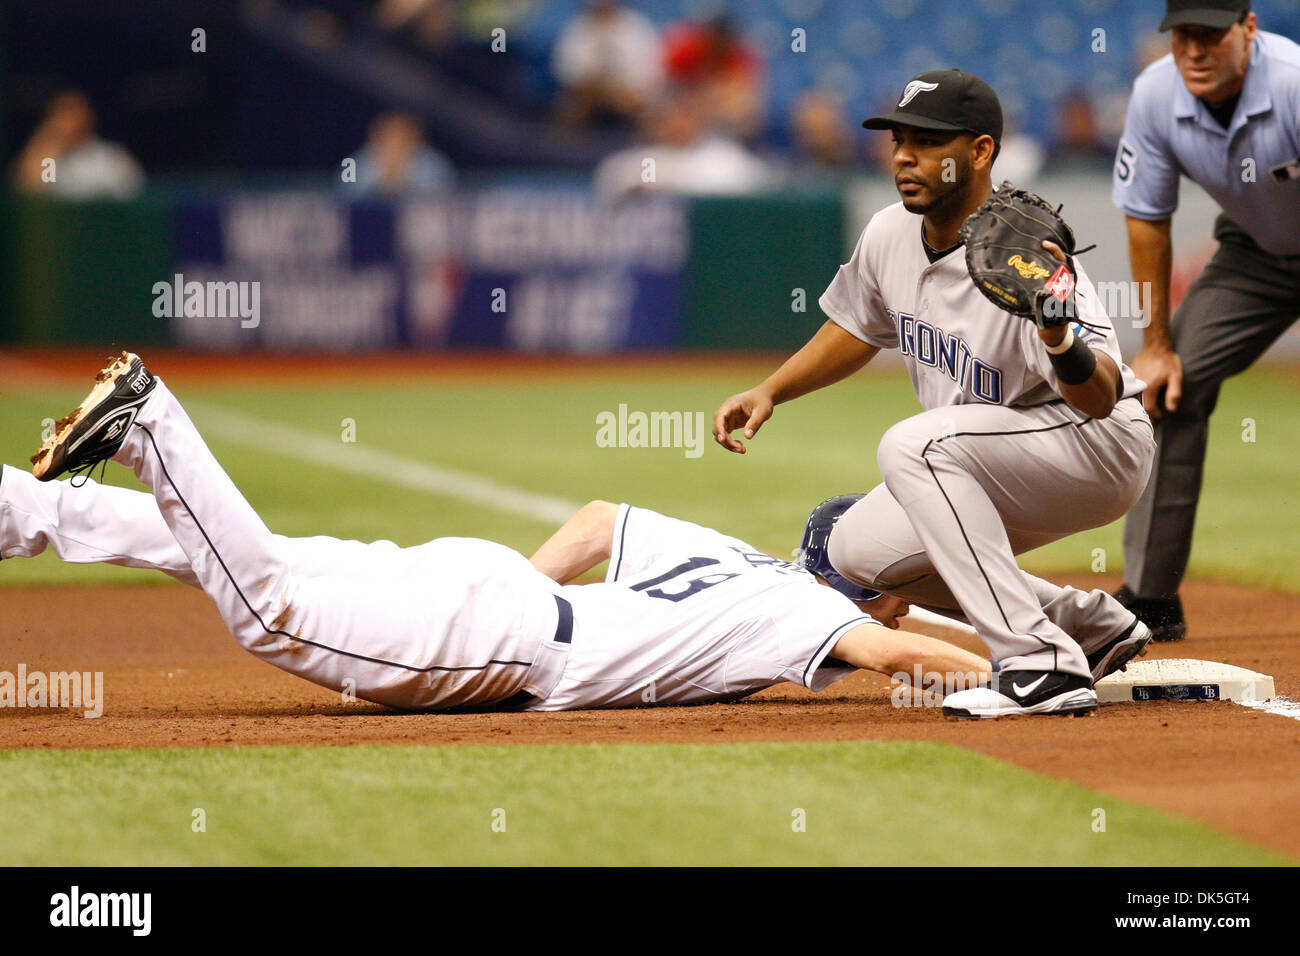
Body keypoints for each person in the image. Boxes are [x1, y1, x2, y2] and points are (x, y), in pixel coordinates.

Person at [5, 353, 994, 714]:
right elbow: (885, 647)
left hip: (493, 588)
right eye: (896, 576)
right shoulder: (800, 607)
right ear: (861, 579)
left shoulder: (736, 554)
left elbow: (598, 519)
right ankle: (148, 421)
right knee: (271, 604)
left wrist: (490, 593)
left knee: (224, 551)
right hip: (506, 634)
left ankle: (21, 507)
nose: (903, 589)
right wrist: (1005, 663)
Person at [713, 69, 1156, 719]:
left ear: (979, 152)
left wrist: (1058, 334)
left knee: (912, 446)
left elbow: (1100, 396)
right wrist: (772, 390)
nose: (902, 157)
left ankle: (1040, 664)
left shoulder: (1022, 251)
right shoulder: (891, 232)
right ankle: (1088, 627)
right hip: (992, 452)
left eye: (926, 142)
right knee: (858, 551)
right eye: (898, 140)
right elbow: (856, 326)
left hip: (1096, 442)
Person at [1111, 0, 1300, 642]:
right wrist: (1156, 343)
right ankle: (1151, 595)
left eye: (1210, 35)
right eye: (1183, 35)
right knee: (1168, 387)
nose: (1194, 50)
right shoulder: (1156, 94)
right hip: (1254, 255)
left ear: (1248, 29)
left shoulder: (1294, 84)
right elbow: (1146, 216)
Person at [551, 0, 664, 129]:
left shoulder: (638, 26)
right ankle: (564, 145)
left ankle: (644, 147)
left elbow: (650, 70)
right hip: (589, 92)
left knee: (648, 109)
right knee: (571, 105)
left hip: (629, 93)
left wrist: (623, 89)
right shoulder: (577, 26)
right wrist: (597, 84)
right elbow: (566, 70)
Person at [12, 90, 145, 199]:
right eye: (62, 113)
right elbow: (28, 190)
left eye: (74, 112)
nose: (69, 120)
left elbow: (133, 198)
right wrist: (48, 137)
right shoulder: (49, 160)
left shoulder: (109, 157)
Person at [350, 112, 456, 196]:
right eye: (388, 136)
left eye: (400, 137)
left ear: (414, 137)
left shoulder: (432, 163)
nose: (394, 142)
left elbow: (444, 197)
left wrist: (401, 180)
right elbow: (341, 195)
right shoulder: (359, 161)